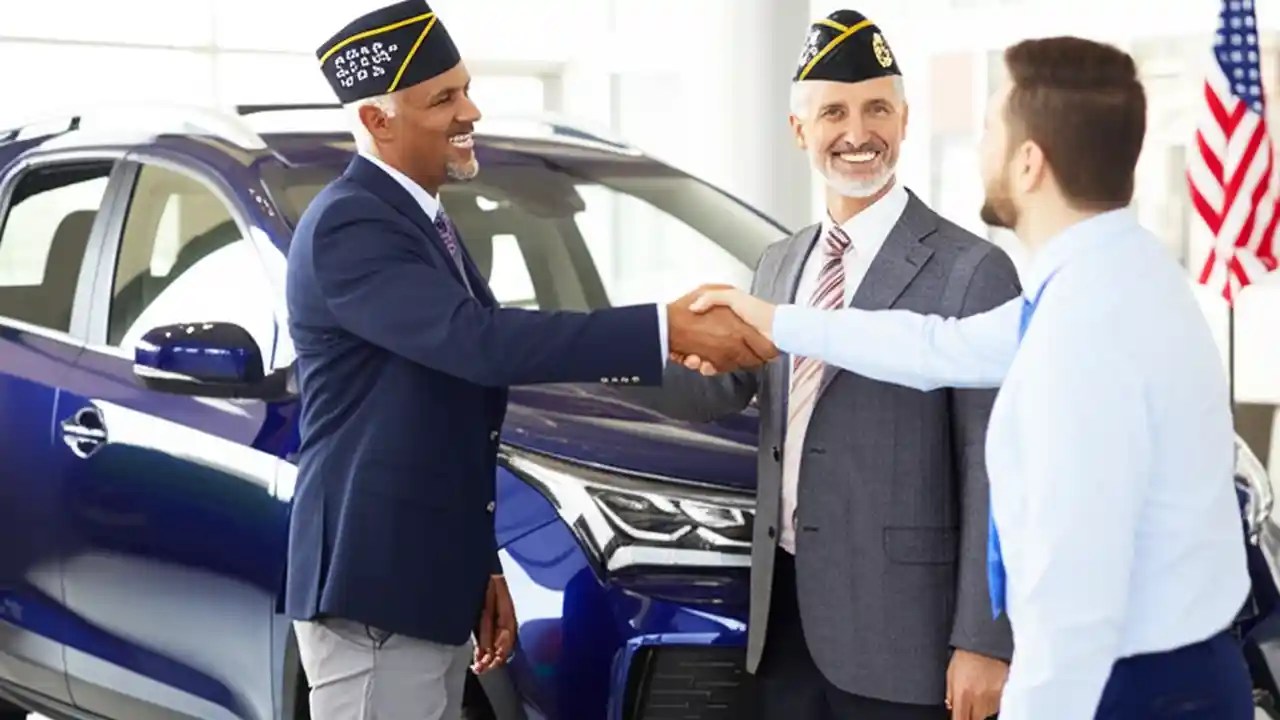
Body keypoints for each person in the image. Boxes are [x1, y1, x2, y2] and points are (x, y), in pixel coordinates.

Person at [686, 36, 1255, 720]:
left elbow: (1077, 568)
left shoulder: (1089, 320)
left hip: (1128, 679)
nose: (974, 144)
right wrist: (769, 321)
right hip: (1152, 664)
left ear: (1027, 161)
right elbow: (934, 347)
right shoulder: (1098, 284)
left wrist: (1012, 673)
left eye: (989, 127)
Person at [283, 2, 776, 718]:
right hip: (375, 590)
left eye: (465, 88)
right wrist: (664, 329)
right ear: (377, 122)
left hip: (420, 579)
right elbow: (481, 346)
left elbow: (447, 409)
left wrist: (476, 563)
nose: (470, 110)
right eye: (443, 99)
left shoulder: (421, 220)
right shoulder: (351, 224)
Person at [632, 10, 1017, 719]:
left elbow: (997, 468)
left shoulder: (973, 272)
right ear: (798, 130)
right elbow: (718, 386)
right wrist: (619, 347)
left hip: (910, 641)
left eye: (877, 109)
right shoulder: (780, 262)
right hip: (787, 622)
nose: (857, 133)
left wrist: (987, 641)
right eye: (834, 111)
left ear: (904, 121)